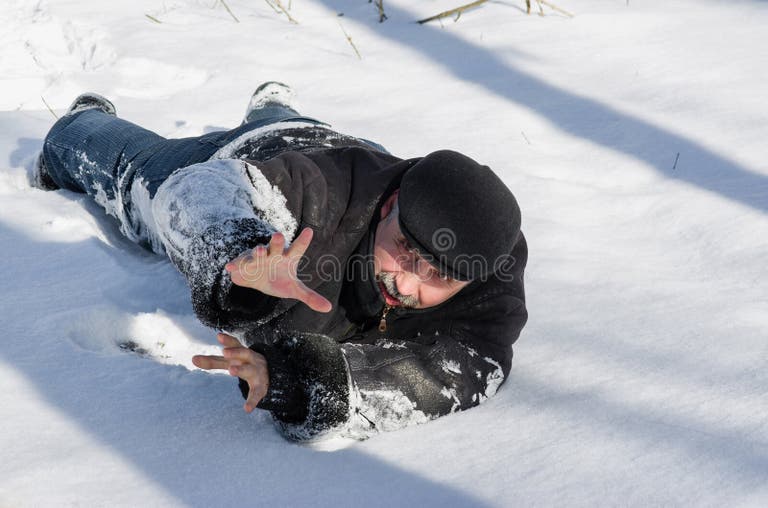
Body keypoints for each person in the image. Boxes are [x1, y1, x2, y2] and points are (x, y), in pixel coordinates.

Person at [36, 83, 528, 441]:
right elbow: (198, 190)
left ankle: (273, 105)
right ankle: (81, 121)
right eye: (406, 250)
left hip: (336, 142)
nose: (406, 284)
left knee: (288, 123)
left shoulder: (488, 265)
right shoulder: (317, 196)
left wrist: (302, 381)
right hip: (246, 156)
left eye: (439, 276)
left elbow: (462, 370)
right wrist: (242, 252)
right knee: (129, 172)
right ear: (390, 205)